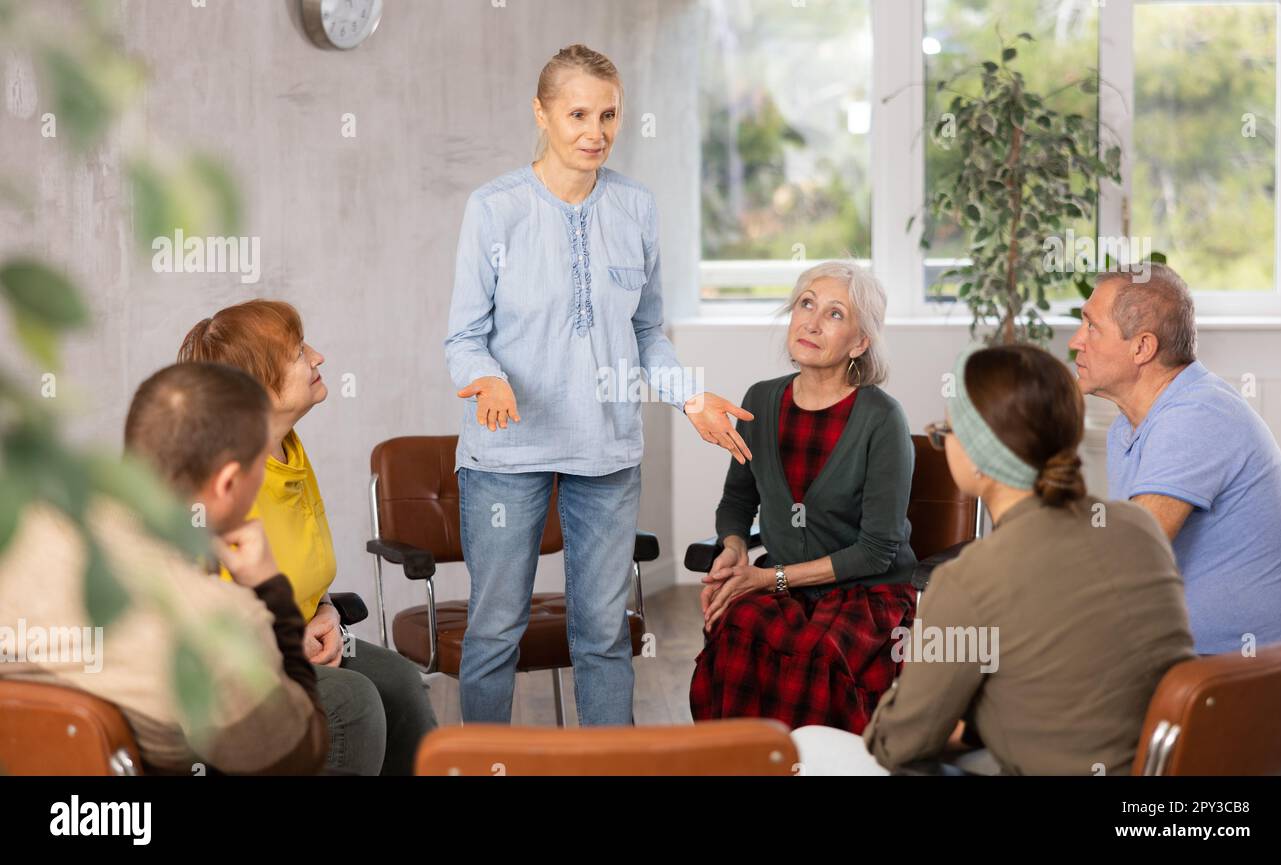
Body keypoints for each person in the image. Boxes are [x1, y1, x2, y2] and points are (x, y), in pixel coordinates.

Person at [444, 44, 751, 725]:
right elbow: (463, 337)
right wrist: (487, 378)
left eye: (608, 115)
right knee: (494, 630)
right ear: (542, 113)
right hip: (507, 453)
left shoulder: (636, 207)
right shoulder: (494, 209)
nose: (596, 132)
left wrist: (690, 396)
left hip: (607, 451)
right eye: (578, 114)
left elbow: (646, 332)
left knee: (605, 634)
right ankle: (483, 765)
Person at [792, 345, 1195, 775]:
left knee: (806, 743)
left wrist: (947, 711)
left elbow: (897, 745)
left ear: (978, 456)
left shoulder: (968, 579)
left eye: (946, 432)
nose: (943, 442)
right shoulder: (1139, 527)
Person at [0, 361, 327, 774]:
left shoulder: (20, 525)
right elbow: (296, 759)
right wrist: (271, 589)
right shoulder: (218, 625)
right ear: (227, 483)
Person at [179, 300, 435, 775]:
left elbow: (303, 575)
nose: (318, 357)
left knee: (399, 682)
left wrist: (326, 612)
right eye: (298, 352)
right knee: (350, 702)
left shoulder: (286, 451)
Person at [689, 262, 917, 734]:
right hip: (783, 582)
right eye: (806, 304)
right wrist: (734, 549)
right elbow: (736, 502)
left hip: (864, 592)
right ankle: (743, 763)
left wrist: (768, 578)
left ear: (859, 342)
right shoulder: (760, 400)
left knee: (816, 656)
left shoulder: (882, 419)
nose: (811, 322)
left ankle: (817, 764)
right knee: (735, 632)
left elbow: (877, 551)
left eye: (835, 314)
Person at [1069, 263, 1281, 654]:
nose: (1077, 341)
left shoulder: (1196, 415)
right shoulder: (1129, 426)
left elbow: (1131, 558)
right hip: (1191, 653)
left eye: (1092, 326)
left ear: (1142, 347)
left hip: (1240, 668)